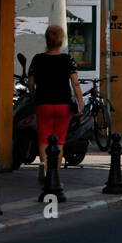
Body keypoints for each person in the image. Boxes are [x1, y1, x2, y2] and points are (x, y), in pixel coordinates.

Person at [28, 23, 84, 178]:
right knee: (59, 141)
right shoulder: (68, 59)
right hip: (63, 104)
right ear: (61, 41)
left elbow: (30, 82)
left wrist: (34, 96)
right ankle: (55, 176)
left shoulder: (37, 59)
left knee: (44, 138)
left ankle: (45, 171)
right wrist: (80, 101)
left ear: (47, 40)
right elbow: (75, 83)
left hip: (43, 103)